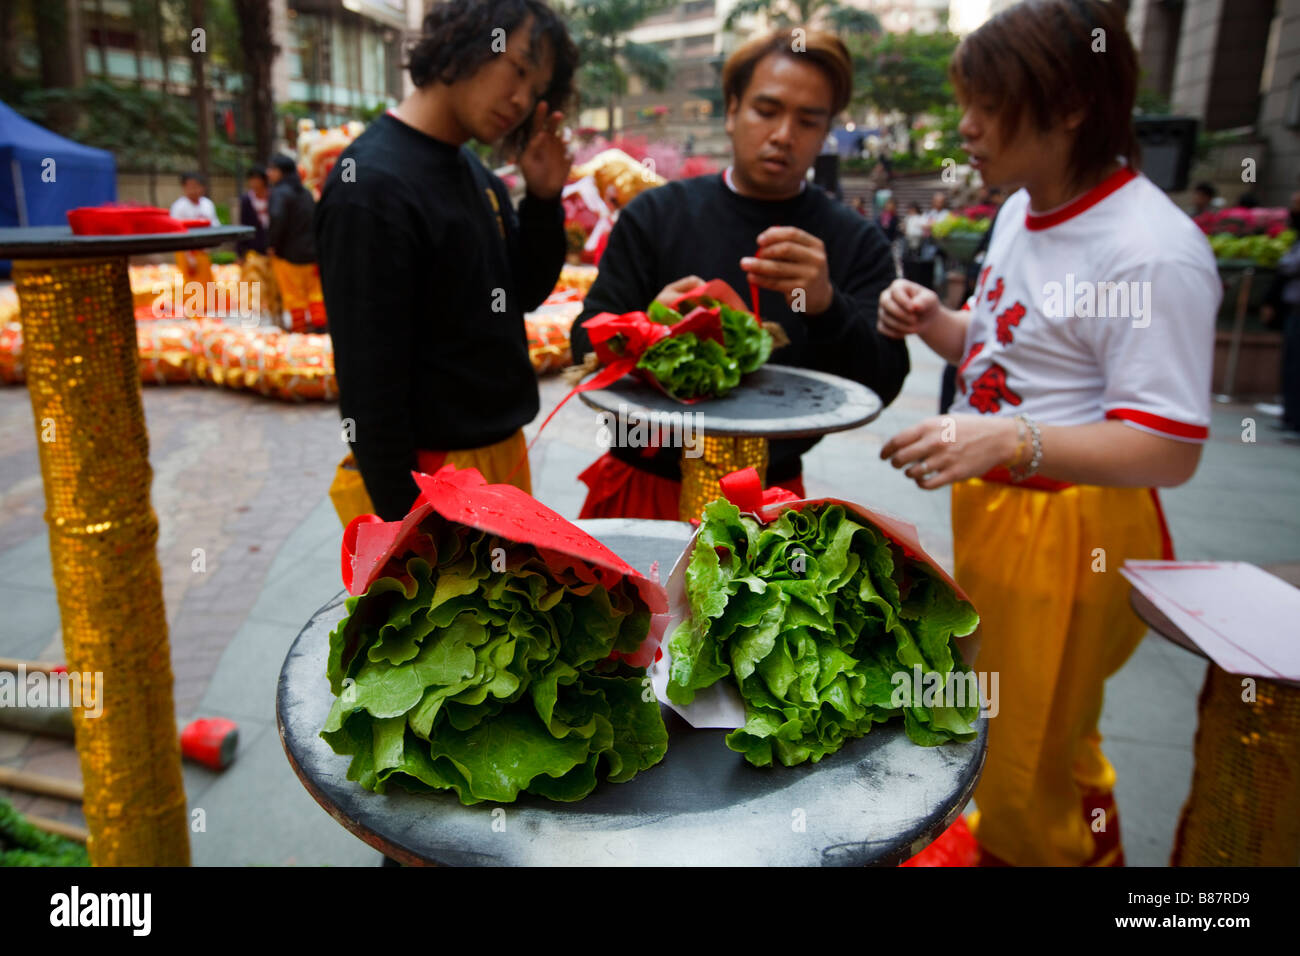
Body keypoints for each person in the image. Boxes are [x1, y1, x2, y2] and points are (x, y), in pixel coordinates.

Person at [877, 0, 1219, 867]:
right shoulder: (1022, 212)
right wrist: (939, 324)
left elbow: (1169, 448)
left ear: (1068, 105)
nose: (967, 126)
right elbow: (1010, 355)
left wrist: (1009, 440)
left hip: (1070, 528)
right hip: (1003, 509)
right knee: (1022, 722)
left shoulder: (1151, 249)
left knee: (1028, 755)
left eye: (986, 103)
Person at [567, 27, 908, 520]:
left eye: (809, 121)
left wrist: (826, 306)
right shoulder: (656, 216)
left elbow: (882, 382)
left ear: (827, 130)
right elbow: (584, 345)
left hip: (769, 505)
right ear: (731, 111)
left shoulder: (854, 241)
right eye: (766, 111)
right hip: (643, 487)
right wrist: (647, 329)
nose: (783, 135)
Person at [316, 0, 576, 524]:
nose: (523, 99)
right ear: (466, 36)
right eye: (518, 68)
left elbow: (518, 293)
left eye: (536, 88)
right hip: (434, 479)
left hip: (499, 458)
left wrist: (544, 201)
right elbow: (369, 392)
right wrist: (407, 532)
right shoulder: (371, 185)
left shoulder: (471, 169)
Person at [267, 155, 324, 332]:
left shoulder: (279, 193)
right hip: (312, 254)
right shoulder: (305, 192)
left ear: (280, 172)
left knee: (294, 297)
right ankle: (322, 333)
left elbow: (277, 218)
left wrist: (272, 244)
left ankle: (300, 335)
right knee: (316, 295)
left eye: (271, 169)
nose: (268, 173)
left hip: (289, 255)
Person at [237, 166, 280, 321]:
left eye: (257, 180)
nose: (254, 183)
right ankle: (253, 315)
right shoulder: (247, 200)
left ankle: (276, 316)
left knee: (274, 286)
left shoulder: (274, 197)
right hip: (254, 250)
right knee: (252, 282)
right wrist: (240, 252)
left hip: (273, 249)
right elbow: (243, 224)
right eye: (252, 180)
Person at [170, 172, 219, 289]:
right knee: (191, 286)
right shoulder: (179, 207)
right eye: (190, 186)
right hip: (185, 252)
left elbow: (215, 226)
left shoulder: (208, 204)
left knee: (206, 285)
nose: (193, 190)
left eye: (196, 186)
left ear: (203, 187)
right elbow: (177, 233)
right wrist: (188, 256)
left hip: (203, 251)